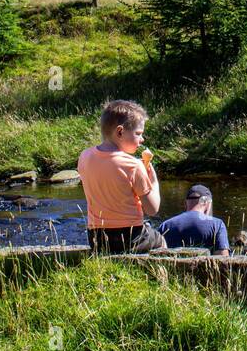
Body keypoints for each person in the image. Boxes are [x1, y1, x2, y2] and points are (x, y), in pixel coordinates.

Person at [76, 99, 164, 253]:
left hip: (97, 238)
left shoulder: (84, 157)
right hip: (131, 237)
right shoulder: (133, 165)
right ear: (120, 132)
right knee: (160, 239)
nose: (142, 139)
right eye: (138, 134)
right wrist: (153, 180)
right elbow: (152, 209)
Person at [157, 184, 229, 255]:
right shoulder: (217, 224)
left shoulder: (165, 226)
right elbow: (223, 259)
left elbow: (158, 255)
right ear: (206, 202)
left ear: (186, 203)